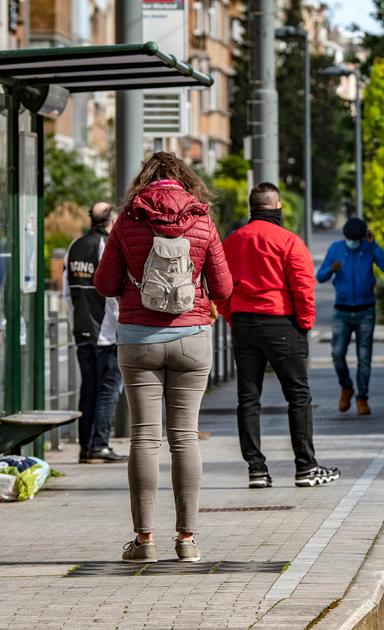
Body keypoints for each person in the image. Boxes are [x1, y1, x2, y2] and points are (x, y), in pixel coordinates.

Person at [94, 152, 233, 564]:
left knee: (144, 437)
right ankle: (187, 540)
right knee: (185, 437)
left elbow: (104, 284)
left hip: (138, 339)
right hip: (192, 338)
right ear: (186, 181)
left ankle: (144, 541)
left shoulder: (128, 220)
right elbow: (223, 288)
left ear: (144, 181)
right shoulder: (202, 220)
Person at [218, 182, 339, 490]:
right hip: (280, 323)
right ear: (277, 206)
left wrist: (231, 316)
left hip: (244, 323)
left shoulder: (232, 242)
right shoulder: (289, 241)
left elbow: (219, 285)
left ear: (252, 207)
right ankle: (306, 467)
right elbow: (303, 286)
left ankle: (256, 469)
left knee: (248, 398)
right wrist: (304, 324)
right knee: (298, 396)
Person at [64, 202, 126, 464]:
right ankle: (99, 445)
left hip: (82, 330)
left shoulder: (74, 246)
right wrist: (119, 326)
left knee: (88, 389)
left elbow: (68, 293)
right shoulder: (107, 246)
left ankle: (86, 447)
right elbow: (112, 293)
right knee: (108, 389)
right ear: (111, 221)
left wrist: (75, 323)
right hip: (106, 332)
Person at [316, 217, 384, 416]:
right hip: (342, 310)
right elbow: (320, 276)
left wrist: (374, 246)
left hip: (366, 310)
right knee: (337, 353)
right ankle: (346, 386)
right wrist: (331, 270)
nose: (352, 243)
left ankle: (362, 398)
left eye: (356, 239)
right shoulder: (336, 248)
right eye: (350, 239)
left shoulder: (369, 248)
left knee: (364, 357)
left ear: (362, 237)